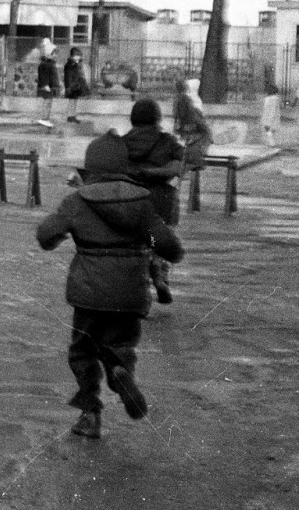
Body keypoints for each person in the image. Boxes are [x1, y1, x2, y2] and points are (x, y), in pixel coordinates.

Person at [36, 131, 184, 440]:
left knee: (83, 353)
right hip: (130, 292)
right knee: (120, 346)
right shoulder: (141, 203)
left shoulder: (77, 201)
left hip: (88, 293)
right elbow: (170, 247)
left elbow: (46, 236)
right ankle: (121, 374)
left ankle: (90, 414)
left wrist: (66, 230)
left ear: (89, 171)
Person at [120, 98, 185, 306]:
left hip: (133, 198)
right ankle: (159, 269)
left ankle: (140, 286)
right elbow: (178, 168)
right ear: (157, 117)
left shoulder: (122, 142)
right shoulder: (168, 142)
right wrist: (155, 172)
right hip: (163, 200)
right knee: (160, 239)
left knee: (135, 241)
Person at [173, 78, 212, 173]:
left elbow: (178, 116)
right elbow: (192, 115)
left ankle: (195, 155)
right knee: (207, 133)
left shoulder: (177, 99)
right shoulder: (186, 99)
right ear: (185, 87)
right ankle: (198, 158)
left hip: (184, 128)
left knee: (203, 134)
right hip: (192, 128)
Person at [35, 42, 60, 128]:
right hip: (46, 87)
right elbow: (43, 76)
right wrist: (46, 85)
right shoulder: (45, 64)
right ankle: (44, 119)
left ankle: (45, 118)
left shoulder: (50, 63)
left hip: (49, 87)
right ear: (49, 54)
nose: (55, 55)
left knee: (48, 103)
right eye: (54, 54)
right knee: (47, 103)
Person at [63, 47, 90, 123]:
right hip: (72, 86)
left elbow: (80, 75)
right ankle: (70, 116)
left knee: (74, 101)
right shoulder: (69, 65)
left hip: (76, 86)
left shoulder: (77, 64)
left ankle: (72, 116)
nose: (77, 57)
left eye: (78, 55)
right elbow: (67, 77)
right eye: (75, 55)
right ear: (72, 56)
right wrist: (68, 86)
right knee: (72, 101)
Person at [260, 76, 282, 148]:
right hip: (275, 116)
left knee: (268, 129)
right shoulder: (277, 99)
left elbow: (267, 109)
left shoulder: (268, 99)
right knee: (271, 131)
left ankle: (272, 143)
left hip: (268, 116)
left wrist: (267, 118)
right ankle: (272, 143)